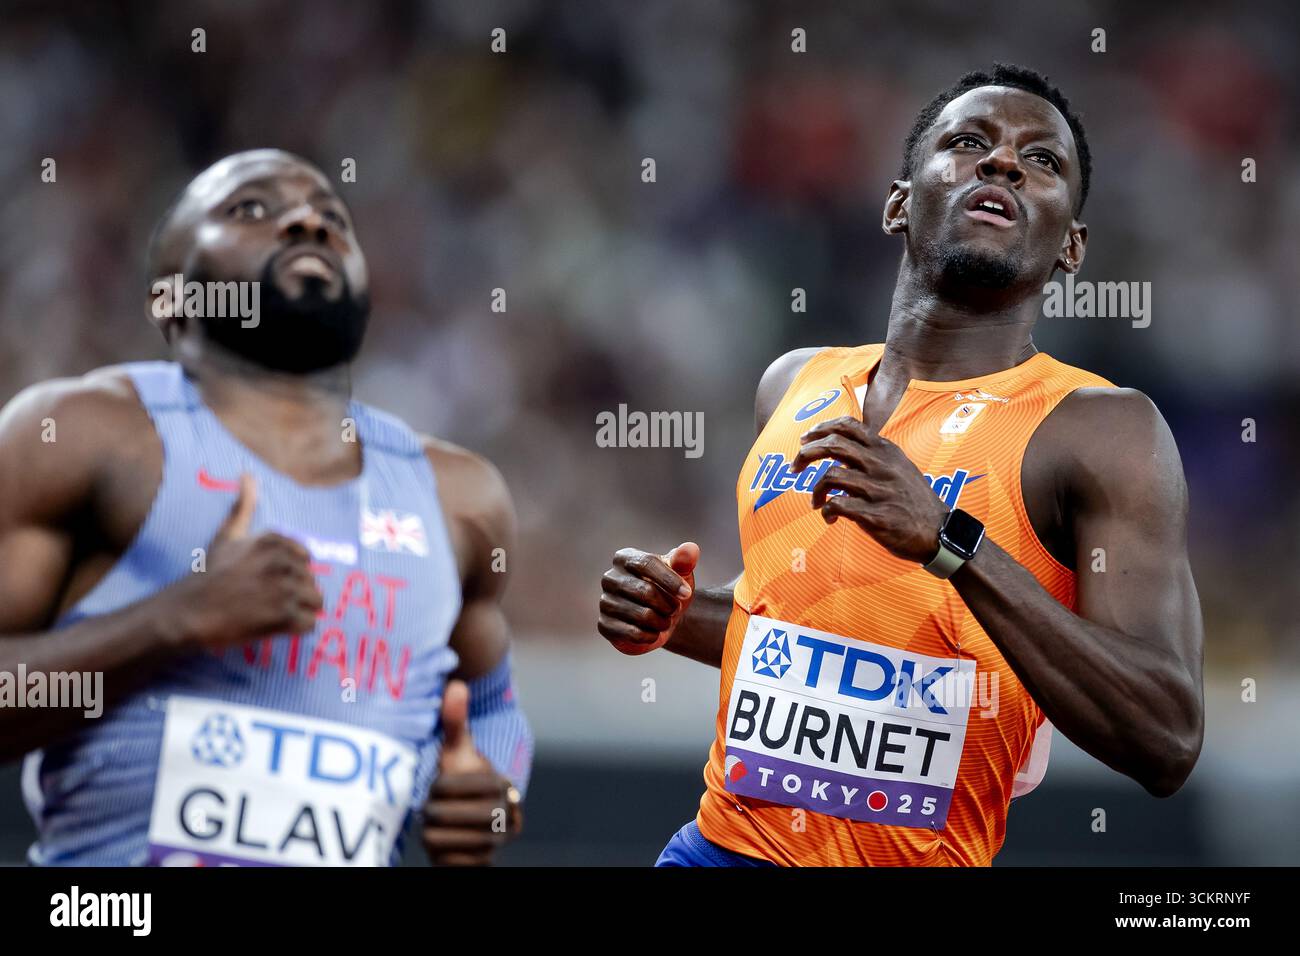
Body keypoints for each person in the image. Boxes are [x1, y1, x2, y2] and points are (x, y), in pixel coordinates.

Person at [597, 64, 1205, 866]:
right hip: (715, 849)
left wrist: (949, 542)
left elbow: (1166, 735)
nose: (1001, 164)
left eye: (1042, 160)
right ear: (896, 203)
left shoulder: (1101, 432)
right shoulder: (794, 384)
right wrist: (681, 616)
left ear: (1072, 248)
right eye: (967, 143)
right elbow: (821, 641)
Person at [0, 149, 531, 866]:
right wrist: (170, 621)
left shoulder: (459, 497)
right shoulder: (79, 436)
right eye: (250, 209)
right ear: (170, 296)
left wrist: (491, 789)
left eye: (333, 219)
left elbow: (493, 706)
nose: (308, 221)